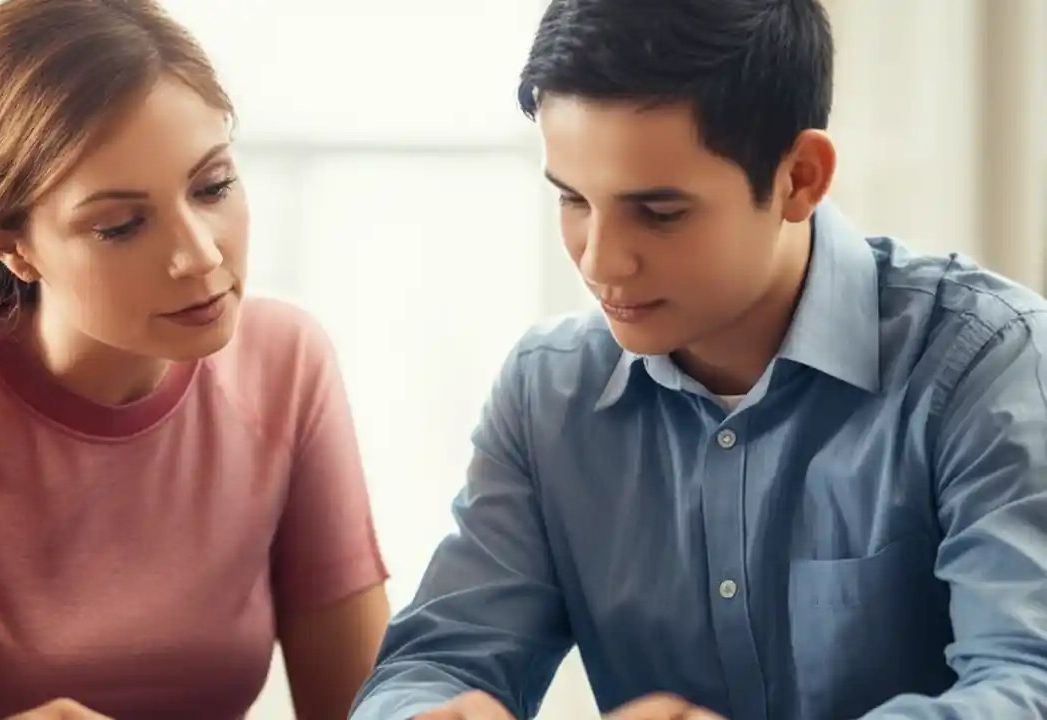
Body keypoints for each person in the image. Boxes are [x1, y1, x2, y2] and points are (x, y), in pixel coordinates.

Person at [351, 0, 1047, 718]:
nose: (600, 261)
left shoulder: (986, 363)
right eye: (572, 200)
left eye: (659, 212)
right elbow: (433, 663)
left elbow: (1029, 684)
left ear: (800, 178)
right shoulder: (548, 392)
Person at [0, 1, 389, 718]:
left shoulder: (288, 364)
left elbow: (357, 704)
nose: (199, 255)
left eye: (213, 186)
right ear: (12, 244)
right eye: (120, 226)